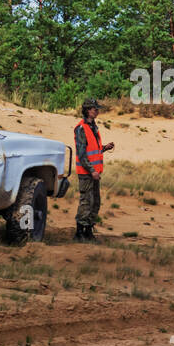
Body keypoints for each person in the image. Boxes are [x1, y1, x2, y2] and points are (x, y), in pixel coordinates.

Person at [74, 99, 114, 242]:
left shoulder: (93, 127)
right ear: (87, 110)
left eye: (97, 109)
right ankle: (79, 233)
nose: (97, 111)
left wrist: (104, 148)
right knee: (86, 202)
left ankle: (88, 231)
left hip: (94, 173)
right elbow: (82, 154)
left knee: (95, 202)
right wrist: (92, 171)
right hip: (87, 174)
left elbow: (94, 150)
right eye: (94, 109)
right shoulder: (81, 128)